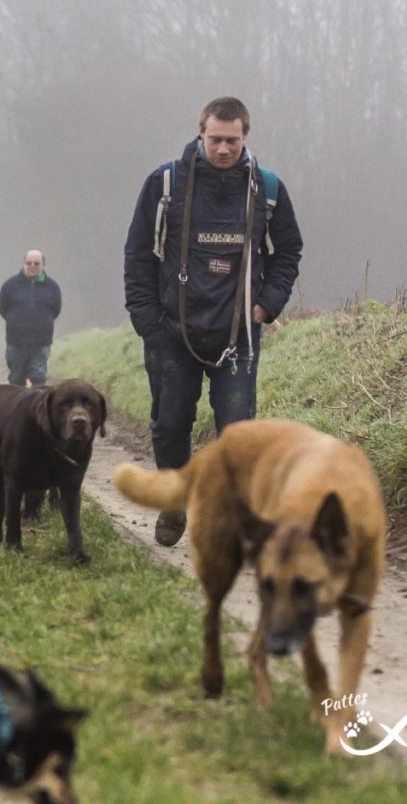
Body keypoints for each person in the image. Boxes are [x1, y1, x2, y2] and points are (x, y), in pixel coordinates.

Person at [124, 96, 302, 546]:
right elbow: (138, 253)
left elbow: (288, 252)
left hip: (237, 335)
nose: (224, 149)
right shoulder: (164, 184)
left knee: (239, 429)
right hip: (171, 331)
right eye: (216, 139)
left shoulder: (268, 189)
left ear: (246, 136)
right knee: (170, 423)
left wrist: (268, 305)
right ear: (200, 132)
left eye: (232, 140)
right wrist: (146, 319)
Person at [0, 249, 62, 387]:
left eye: (36, 263)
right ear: (23, 264)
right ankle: (15, 407)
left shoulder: (53, 287)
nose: (32, 266)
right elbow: (2, 308)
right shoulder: (10, 286)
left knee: (38, 378)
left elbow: (56, 310)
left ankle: (37, 408)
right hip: (16, 342)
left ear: (43, 265)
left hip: (41, 342)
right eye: (29, 263)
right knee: (16, 379)